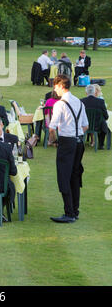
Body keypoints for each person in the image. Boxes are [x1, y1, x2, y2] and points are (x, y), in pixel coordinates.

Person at [49, 74, 89, 223]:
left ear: (60, 85)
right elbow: (86, 126)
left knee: (64, 176)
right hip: (79, 142)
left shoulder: (59, 104)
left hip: (66, 142)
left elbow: (52, 128)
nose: (54, 89)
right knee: (75, 176)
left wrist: (52, 140)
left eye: (55, 85)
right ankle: (75, 211)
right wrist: (76, 134)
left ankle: (69, 213)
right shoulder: (79, 102)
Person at [81, 84, 108, 150]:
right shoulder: (101, 101)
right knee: (103, 123)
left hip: (84, 125)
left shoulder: (81, 101)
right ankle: (101, 144)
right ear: (94, 92)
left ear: (86, 93)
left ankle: (80, 142)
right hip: (97, 126)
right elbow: (106, 116)